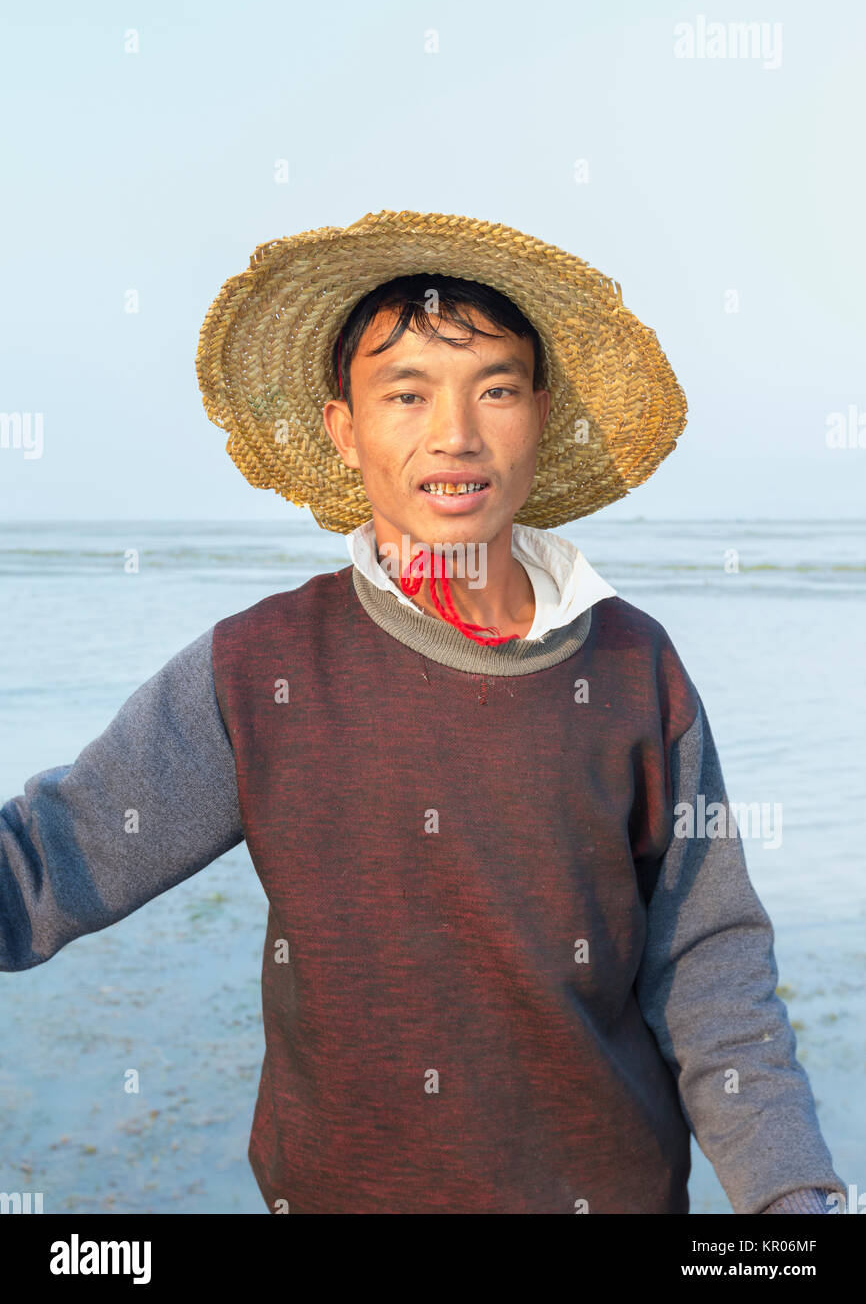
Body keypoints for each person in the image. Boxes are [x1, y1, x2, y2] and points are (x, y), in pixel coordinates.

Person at [1, 209, 847, 1214]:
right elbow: (48, 862)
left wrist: (791, 1200)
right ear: (343, 429)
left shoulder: (631, 666)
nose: (455, 433)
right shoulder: (260, 670)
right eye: (405, 393)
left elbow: (710, 965)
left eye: (494, 389)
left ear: (538, 413)